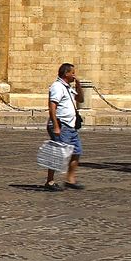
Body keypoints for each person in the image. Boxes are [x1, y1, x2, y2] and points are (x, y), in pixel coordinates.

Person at [43, 62, 81, 190]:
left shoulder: (68, 87)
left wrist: (79, 86)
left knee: (76, 152)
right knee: (58, 153)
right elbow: (52, 106)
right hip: (61, 125)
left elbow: (80, 100)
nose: (74, 75)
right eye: (73, 73)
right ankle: (50, 181)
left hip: (71, 126)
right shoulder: (57, 86)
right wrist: (55, 126)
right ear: (66, 73)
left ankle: (70, 180)